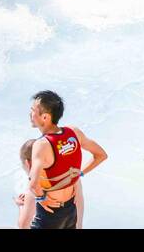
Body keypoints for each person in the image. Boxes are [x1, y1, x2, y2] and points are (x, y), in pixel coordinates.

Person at [27, 90, 106, 229]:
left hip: (49, 214)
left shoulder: (41, 145)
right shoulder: (73, 132)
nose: (30, 114)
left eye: (33, 110)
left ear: (45, 117)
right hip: (70, 211)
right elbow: (101, 155)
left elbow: (33, 184)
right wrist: (79, 173)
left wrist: (41, 199)